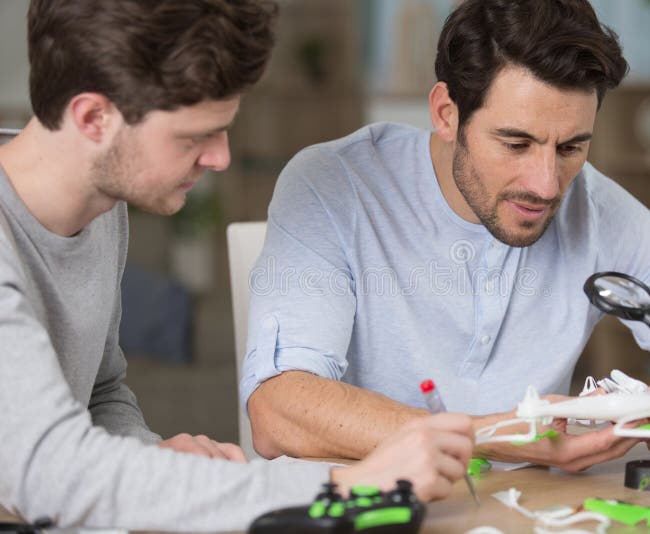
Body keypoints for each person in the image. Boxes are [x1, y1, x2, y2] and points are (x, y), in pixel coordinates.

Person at [243, 0, 650, 470]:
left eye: (571, 147)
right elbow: (279, 408)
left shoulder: (598, 207)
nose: (545, 184)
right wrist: (497, 436)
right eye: (515, 143)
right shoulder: (333, 186)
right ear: (445, 113)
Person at [0, 0, 474, 530]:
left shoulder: (100, 210)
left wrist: (147, 460)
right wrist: (348, 485)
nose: (220, 158)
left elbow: (99, 393)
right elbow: (49, 472)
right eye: (192, 136)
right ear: (92, 118)